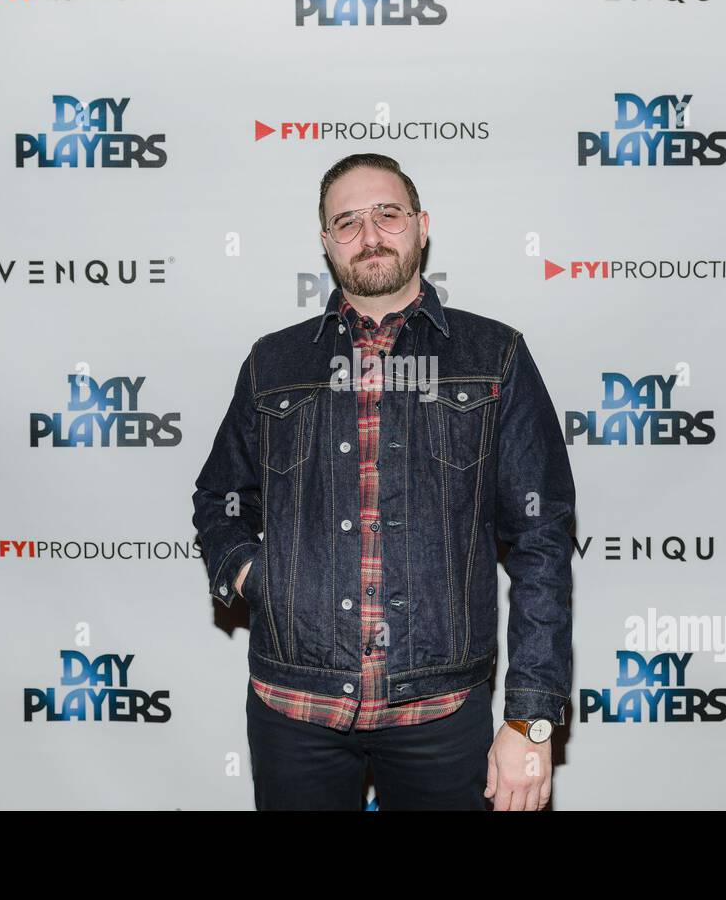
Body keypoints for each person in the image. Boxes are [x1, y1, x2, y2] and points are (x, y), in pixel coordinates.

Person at [191, 153, 576, 810]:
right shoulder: (274, 362)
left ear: (422, 226)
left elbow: (541, 537)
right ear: (326, 242)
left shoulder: (494, 355)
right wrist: (253, 575)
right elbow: (220, 498)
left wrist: (529, 720)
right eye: (347, 222)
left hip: (439, 708)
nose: (369, 235)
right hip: (294, 707)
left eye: (387, 215)